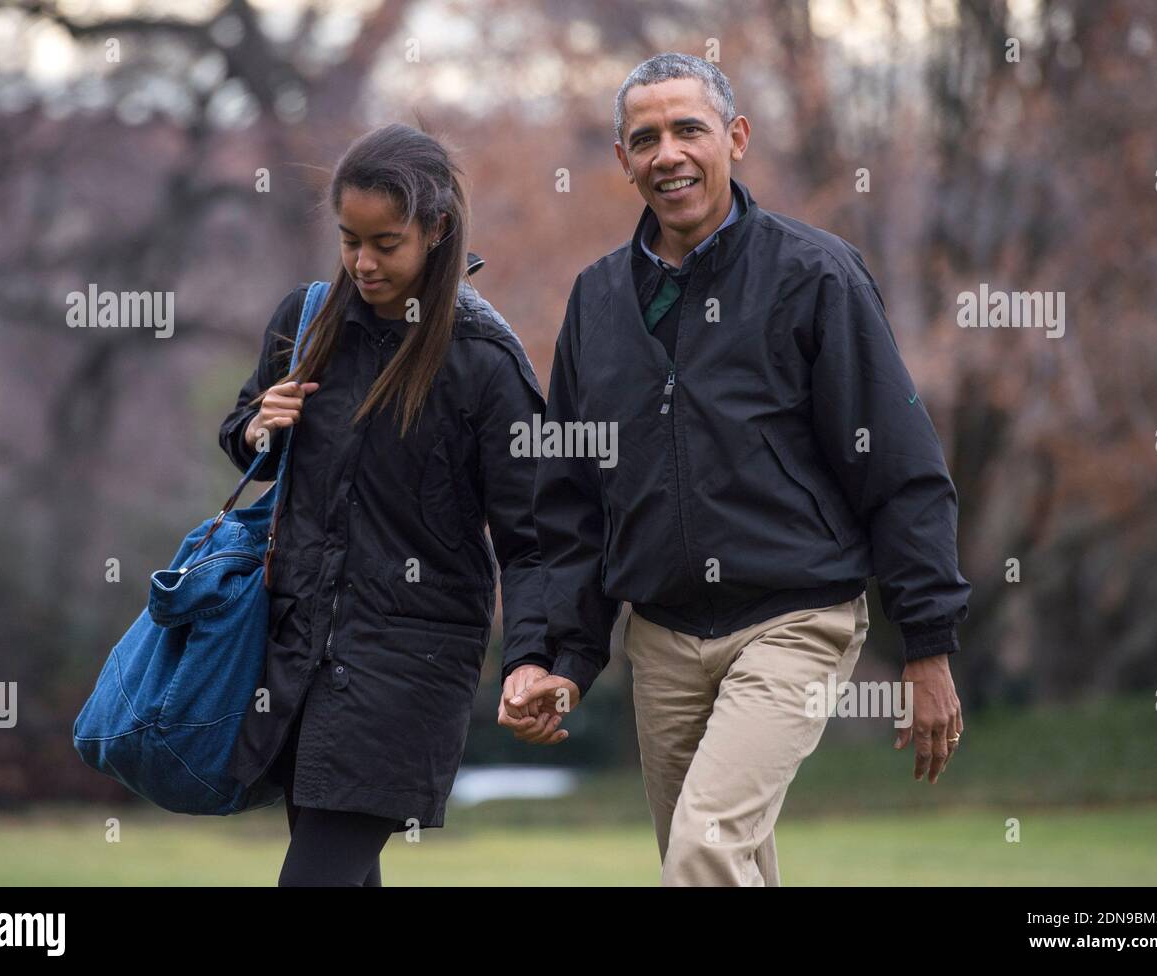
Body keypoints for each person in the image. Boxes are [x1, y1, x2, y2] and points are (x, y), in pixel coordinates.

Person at [513, 53, 972, 886]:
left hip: (794, 619)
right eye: (644, 138)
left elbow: (900, 468)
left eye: (689, 129)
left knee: (704, 851)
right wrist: (558, 656)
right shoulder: (597, 301)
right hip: (660, 637)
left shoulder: (816, 274)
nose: (668, 154)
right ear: (623, 159)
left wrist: (928, 644)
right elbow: (570, 504)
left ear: (736, 137)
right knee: (726, 862)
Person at [217, 123, 559, 887]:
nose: (364, 263)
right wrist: (257, 426)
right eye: (349, 240)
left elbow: (530, 535)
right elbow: (245, 442)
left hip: (410, 666)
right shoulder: (305, 322)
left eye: (386, 242)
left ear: (436, 231)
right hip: (296, 649)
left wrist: (533, 655)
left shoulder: (485, 362)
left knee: (312, 879)